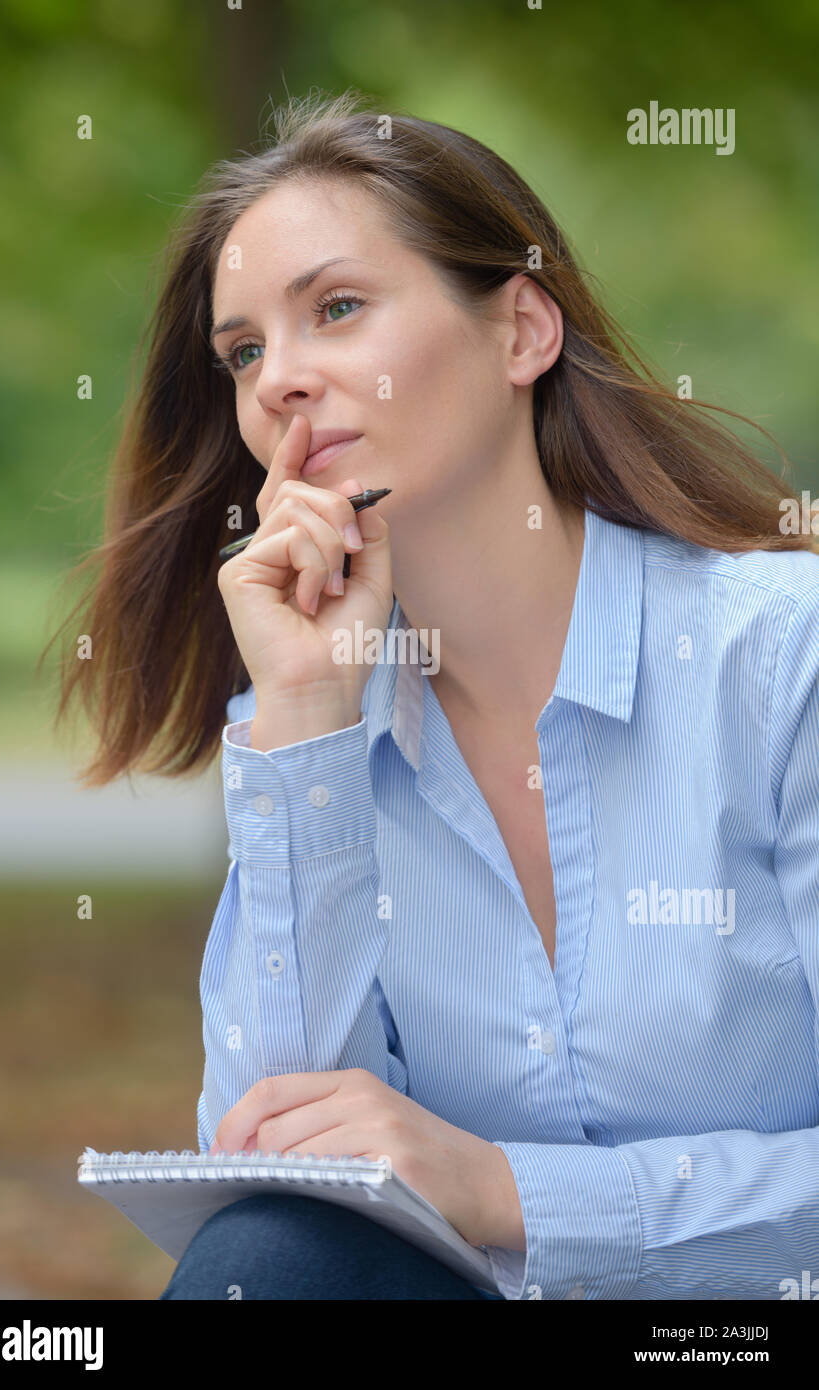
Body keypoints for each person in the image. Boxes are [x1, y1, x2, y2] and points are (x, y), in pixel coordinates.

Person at [54, 90, 819, 1300]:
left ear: (521, 332)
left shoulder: (784, 659)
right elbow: (277, 1155)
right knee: (265, 1257)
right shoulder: (318, 723)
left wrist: (502, 1189)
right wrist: (305, 712)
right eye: (245, 352)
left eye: (337, 309)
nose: (279, 384)